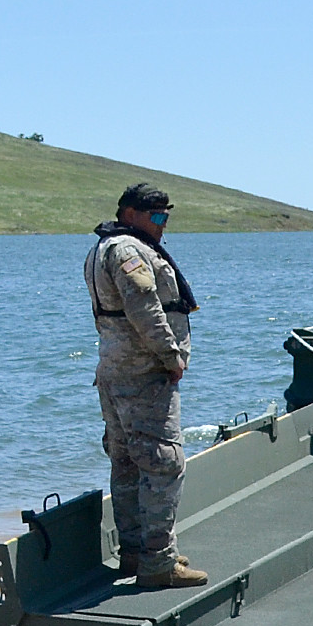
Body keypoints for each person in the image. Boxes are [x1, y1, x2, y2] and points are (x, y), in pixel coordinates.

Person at [83, 182, 207, 589]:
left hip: (117, 370)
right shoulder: (128, 251)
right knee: (162, 462)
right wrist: (170, 356)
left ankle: (135, 552)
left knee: (126, 462)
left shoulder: (108, 246)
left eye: (166, 217)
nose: (162, 224)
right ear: (130, 214)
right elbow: (145, 308)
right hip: (143, 373)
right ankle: (158, 559)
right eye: (155, 217)